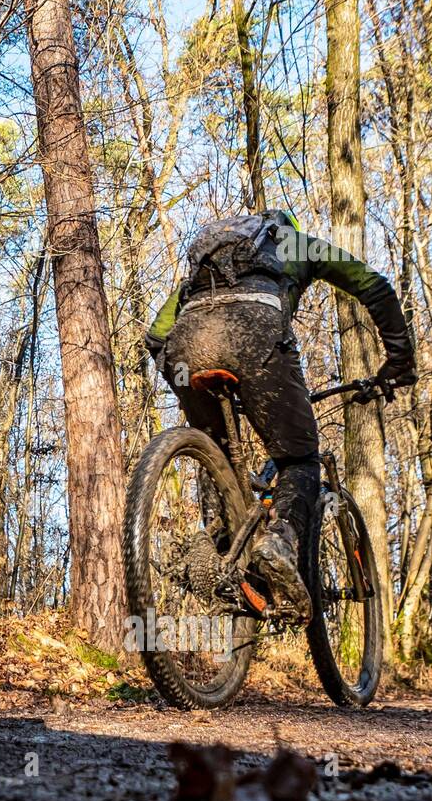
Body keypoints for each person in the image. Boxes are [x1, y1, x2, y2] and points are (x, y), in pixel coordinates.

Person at [145, 209, 416, 622]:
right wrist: (399, 360)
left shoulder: (207, 267)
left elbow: (156, 336)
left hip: (187, 341)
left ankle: (219, 544)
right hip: (255, 334)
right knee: (299, 459)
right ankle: (280, 541)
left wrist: (195, 386)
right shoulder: (294, 243)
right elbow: (373, 286)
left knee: (214, 446)